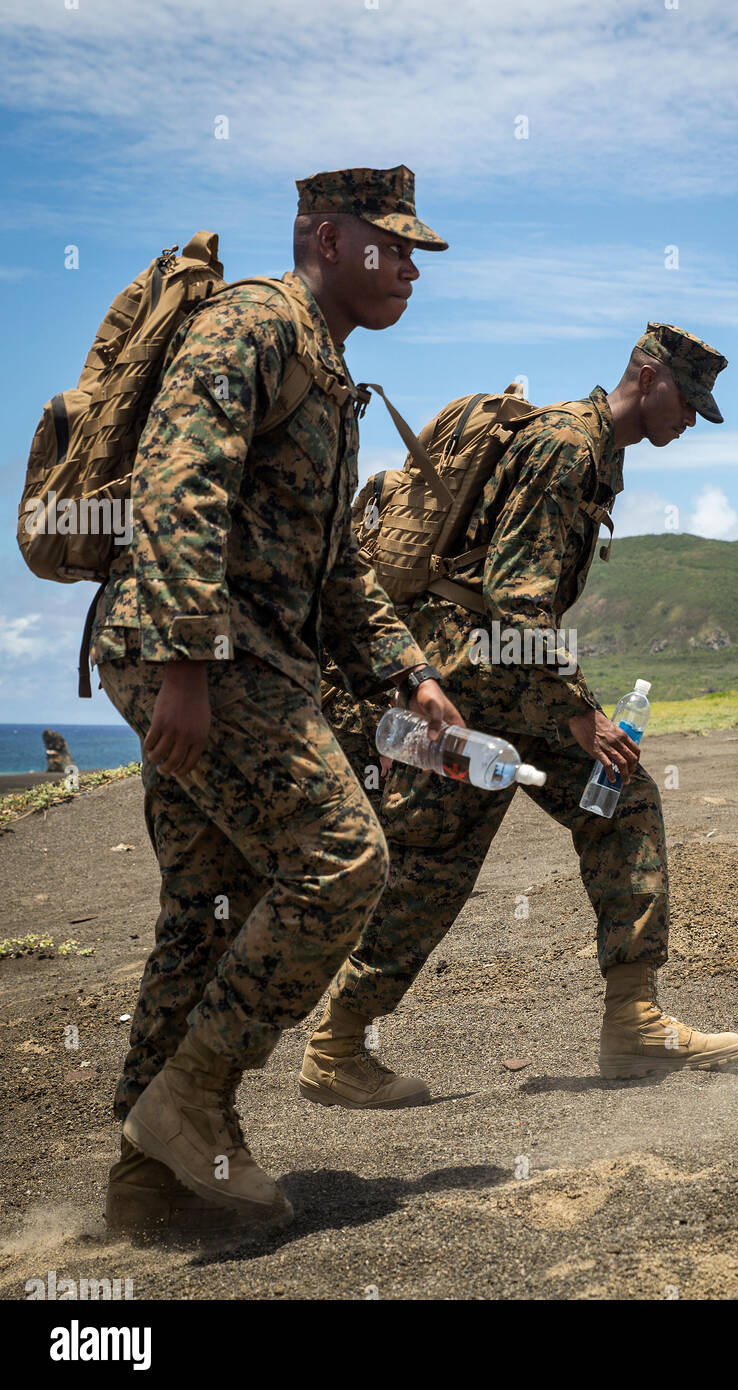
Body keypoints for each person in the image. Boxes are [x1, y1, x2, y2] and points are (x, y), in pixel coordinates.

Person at [92, 165, 464, 1234]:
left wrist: (410, 672)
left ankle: (146, 1184)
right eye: (389, 246)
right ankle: (190, 1103)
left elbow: (339, 566)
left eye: (414, 254)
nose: (405, 268)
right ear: (324, 235)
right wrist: (185, 669)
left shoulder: (327, 367)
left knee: (203, 911)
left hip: (238, 663)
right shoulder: (250, 325)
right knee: (343, 860)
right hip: (202, 661)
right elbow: (177, 489)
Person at [301, 323, 738, 1110]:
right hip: (476, 677)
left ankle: (630, 1018)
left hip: (500, 676)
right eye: (689, 401)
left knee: (602, 808)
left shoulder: (594, 451)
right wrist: (580, 713)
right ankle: (338, 1045)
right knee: (454, 856)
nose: (691, 420)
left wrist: (573, 710)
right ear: (650, 378)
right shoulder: (569, 446)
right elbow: (515, 595)